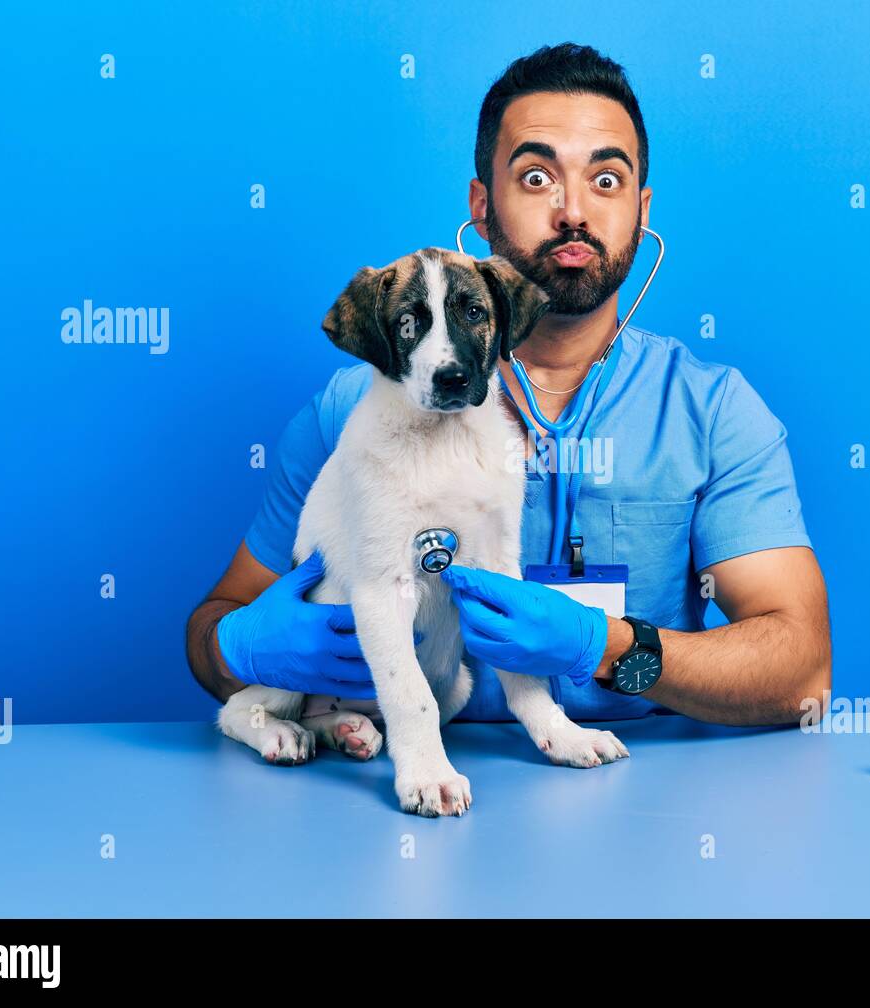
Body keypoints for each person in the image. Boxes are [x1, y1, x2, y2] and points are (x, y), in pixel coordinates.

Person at [186, 42, 830, 728]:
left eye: (605, 180)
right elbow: (213, 635)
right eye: (536, 177)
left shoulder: (711, 412)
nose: (573, 211)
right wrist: (244, 648)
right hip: (410, 767)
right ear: (482, 204)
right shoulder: (354, 410)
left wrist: (609, 649)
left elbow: (802, 675)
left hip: (635, 777)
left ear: (642, 211)